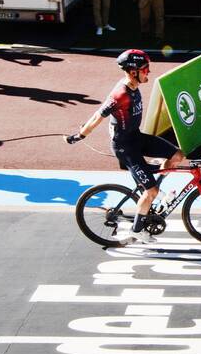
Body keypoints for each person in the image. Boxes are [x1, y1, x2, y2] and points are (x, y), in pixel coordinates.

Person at [66, 49, 185, 245]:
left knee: (177, 155)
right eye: (145, 69)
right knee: (150, 192)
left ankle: (157, 191)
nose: (149, 72)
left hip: (135, 138)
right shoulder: (120, 94)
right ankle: (137, 230)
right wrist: (79, 135)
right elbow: (98, 116)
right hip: (125, 147)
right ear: (133, 72)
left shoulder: (134, 86)